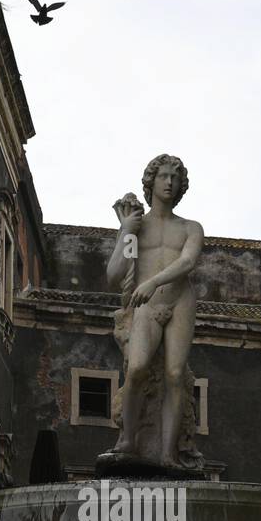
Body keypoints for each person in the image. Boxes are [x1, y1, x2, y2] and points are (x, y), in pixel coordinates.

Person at [106, 154, 203, 467]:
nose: (169, 183)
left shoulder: (191, 228)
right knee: (136, 369)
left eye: (175, 178)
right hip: (146, 304)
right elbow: (114, 275)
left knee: (175, 374)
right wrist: (125, 231)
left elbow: (187, 262)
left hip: (179, 300)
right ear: (151, 181)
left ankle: (168, 453)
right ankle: (128, 439)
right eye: (163, 176)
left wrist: (153, 282)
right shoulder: (137, 227)